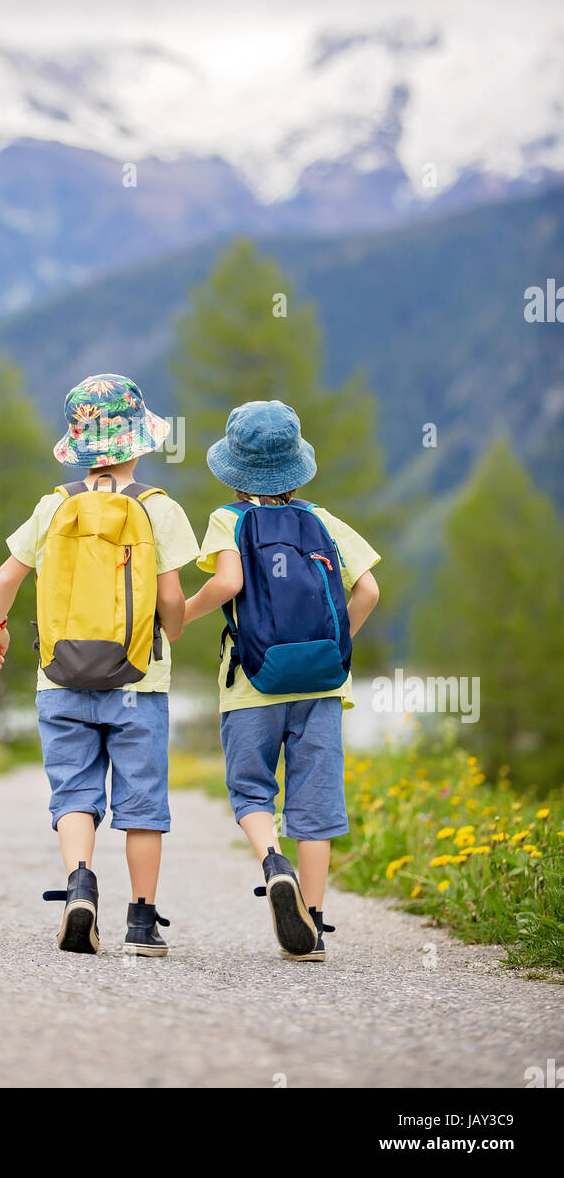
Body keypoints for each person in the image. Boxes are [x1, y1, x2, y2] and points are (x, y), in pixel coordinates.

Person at [0, 373, 199, 956]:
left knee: (74, 792)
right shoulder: (159, 508)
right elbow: (172, 599)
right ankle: (142, 921)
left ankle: (79, 884)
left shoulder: (55, 504)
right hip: (140, 680)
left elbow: (6, 576)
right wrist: (170, 631)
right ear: (139, 443)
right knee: (142, 803)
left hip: (60, 677)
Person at [183, 400, 380, 961]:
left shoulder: (231, 520)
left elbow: (226, 585)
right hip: (321, 682)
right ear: (296, 469)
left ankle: (273, 864)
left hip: (253, 681)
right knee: (315, 803)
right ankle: (313, 925)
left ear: (235, 473)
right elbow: (368, 591)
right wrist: (338, 643)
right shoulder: (322, 521)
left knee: (251, 789)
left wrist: (180, 617)